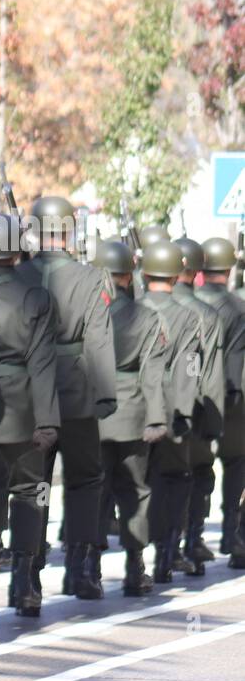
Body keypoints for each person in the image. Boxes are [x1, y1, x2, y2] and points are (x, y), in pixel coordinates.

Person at [16, 196, 116, 595]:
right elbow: (98, 340)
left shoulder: (17, 277)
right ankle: (80, 569)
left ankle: (26, 578)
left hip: (27, 394)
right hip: (74, 394)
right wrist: (105, 395)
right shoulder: (90, 278)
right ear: (69, 231)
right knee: (84, 480)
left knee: (32, 486)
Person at [0, 214, 59, 620]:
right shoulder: (35, 295)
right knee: (30, 495)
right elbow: (42, 362)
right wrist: (48, 420)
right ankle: (24, 581)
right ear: (17, 248)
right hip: (23, 413)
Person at [95, 239, 166, 596]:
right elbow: (152, 375)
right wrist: (156, 419)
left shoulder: (86, 313)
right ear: (127, 276)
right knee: (135, 493)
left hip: (92, 415)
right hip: (133, 415)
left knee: (94, 491)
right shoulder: (148, 318)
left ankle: (86, 568)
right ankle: (135, 567)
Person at [135, 240, 202, 584]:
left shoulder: (131, 309)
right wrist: (184, 413)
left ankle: (135, 561)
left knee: (136, 482)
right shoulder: (188, 317)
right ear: (177, 275)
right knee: (174, 482)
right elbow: (189, 368)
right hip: (173, 407)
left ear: (144, 272)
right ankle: (166, 553)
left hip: (135, 409)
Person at [170, 237, 228, 576]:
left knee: (161, 481)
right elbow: (209, 374)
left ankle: (163, 549)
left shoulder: (144, 306)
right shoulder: (204, 314)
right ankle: (189, 540)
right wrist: (213, 422)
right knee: (197, 476)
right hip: (192, 409)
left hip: (153, 410)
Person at [192, 236, 245, 567]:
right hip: (235, 396)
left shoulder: (189, 302)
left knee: (196, 467)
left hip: (197, 396)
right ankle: (234, 534)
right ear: (229, 268)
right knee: (238, 466)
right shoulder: (240, 306)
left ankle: (192, 538)